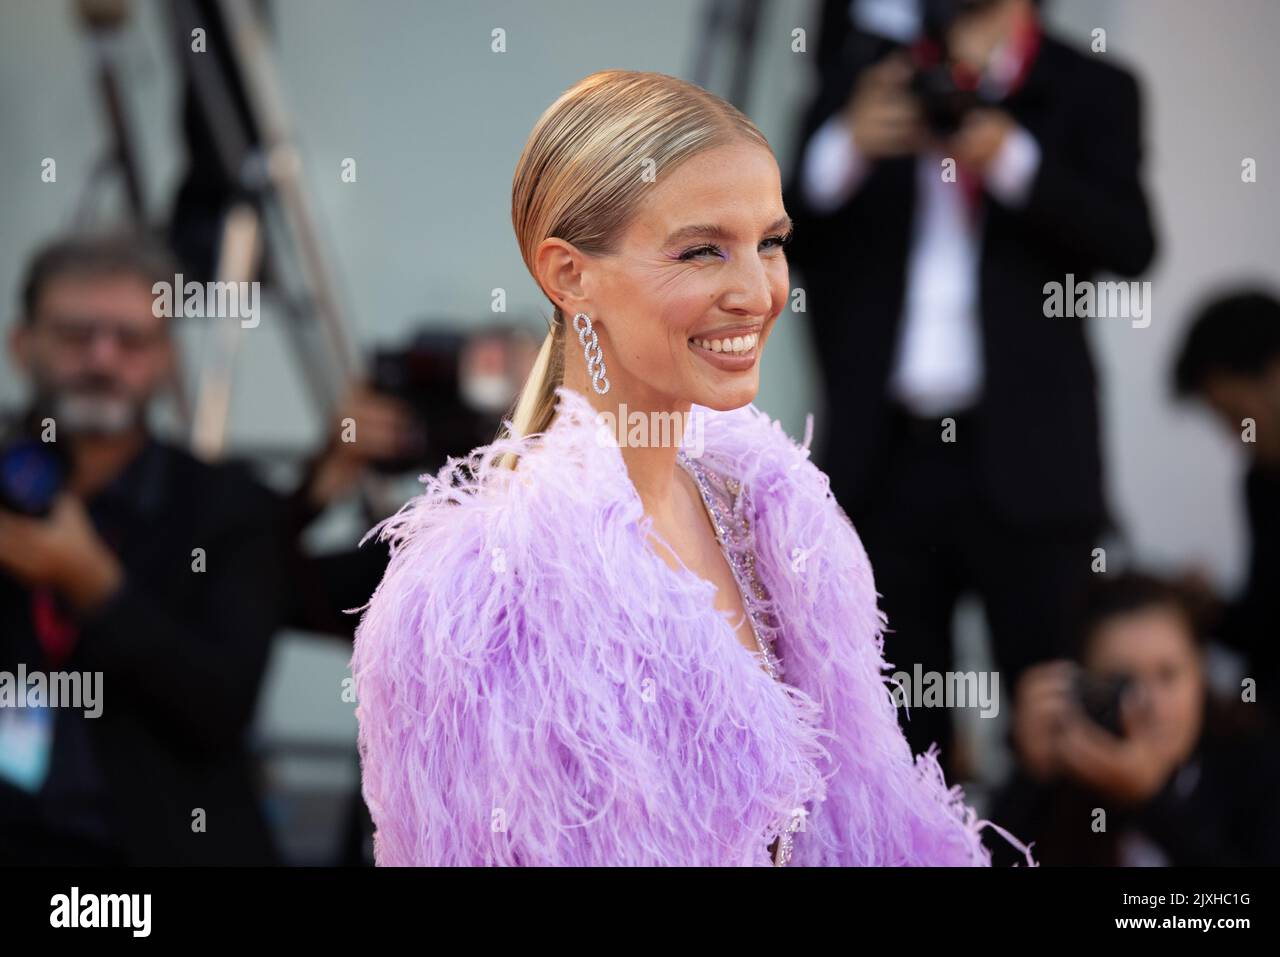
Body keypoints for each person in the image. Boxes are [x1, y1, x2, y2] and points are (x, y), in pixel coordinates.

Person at [349, 69, 1031, 867]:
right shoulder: (474, 597)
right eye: (703, 250)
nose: (757, 291)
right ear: (569, 274)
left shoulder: (776, 519)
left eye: (770, 243)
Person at [782, 0, 1158, 772]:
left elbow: (1132, 240)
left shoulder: (1089, 85)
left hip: (1031, 453)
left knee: (1054, 712)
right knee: (893, 724)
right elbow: (783, 236)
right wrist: (846, 145)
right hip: (889, 455)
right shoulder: (871, 71)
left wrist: (1012, 157)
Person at [0, 232, 283, 864]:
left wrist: (95, 589)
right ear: (24, 346)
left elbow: (220, 705)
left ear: (165, 360)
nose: (102, 360)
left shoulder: (226, 505)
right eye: (76, 336)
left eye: (130, 340)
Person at [990, 571, 1280, 866]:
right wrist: (1030, 776)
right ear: (1082, 686)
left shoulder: (1262, 766)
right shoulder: (1066, 774)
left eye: (1168, 675)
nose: (1149, 704)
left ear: (1200, 673)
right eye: (1120, 681)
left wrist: (1151, 800)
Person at [1171, 288, 1280, 748]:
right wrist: (1209, 613)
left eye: (1236, 415)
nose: (1236, 437)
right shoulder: (1264, 484)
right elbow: (1268, 627)